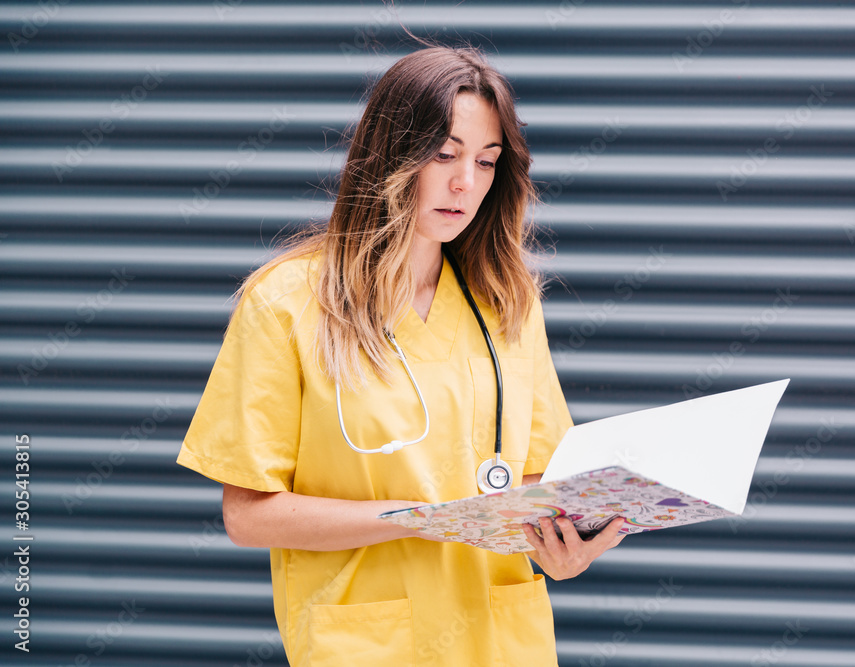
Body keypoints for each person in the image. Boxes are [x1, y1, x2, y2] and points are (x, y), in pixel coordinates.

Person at [176, 45, 625, 666]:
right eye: (444, 155)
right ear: (388, 154)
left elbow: (532, 481)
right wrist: (416, 518)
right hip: (370, 646)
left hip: (503, 644)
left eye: (486, 162)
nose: (465, 183)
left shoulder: (506, 305)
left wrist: (565, 546)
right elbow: (248, 516)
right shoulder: (287, 303)